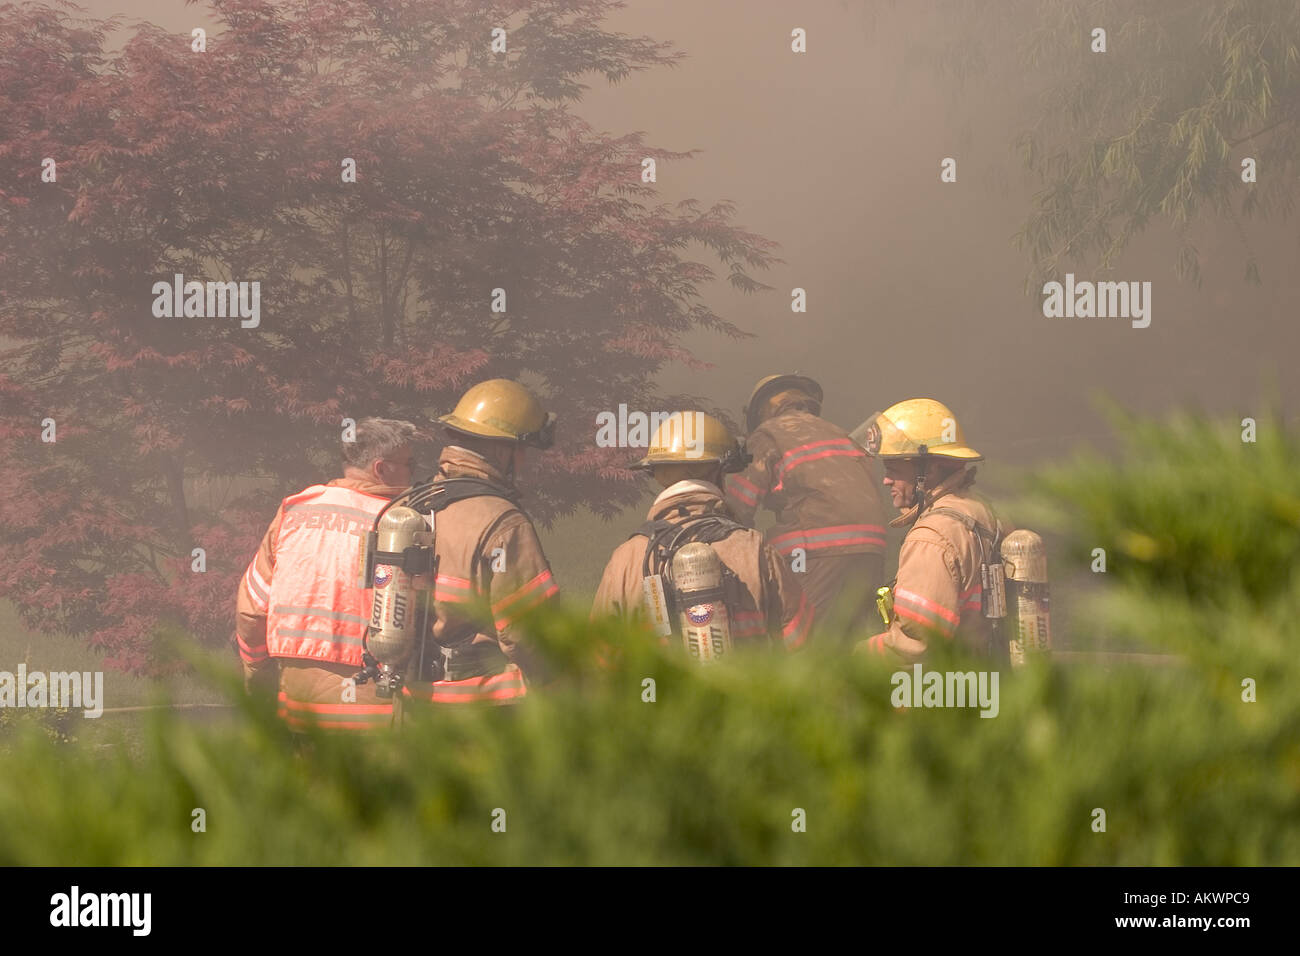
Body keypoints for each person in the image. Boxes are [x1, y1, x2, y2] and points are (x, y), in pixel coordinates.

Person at [235, 418, 418, 731]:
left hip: (299, 703)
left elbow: (252, 608)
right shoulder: (407, 523)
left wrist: (258, 683)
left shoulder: (295, 510)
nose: (416, 473)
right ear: (381, 469)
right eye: (410, 464)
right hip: (378, 703)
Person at [592, 411, 813, 652]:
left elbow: (599, 661)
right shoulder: (755, 549)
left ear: (657, 474)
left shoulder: (627, 558)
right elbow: (804, 647)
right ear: (719, 472)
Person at [400, 378, 561, 705]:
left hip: (415, 703)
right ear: (503, 450)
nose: (524, 462)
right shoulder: (503, 522)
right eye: (522, 450)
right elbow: (526, 632)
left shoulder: (409, 506)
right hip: (484, 707)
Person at [725, 374, 887, 636]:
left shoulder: (769, 434)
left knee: (807, 640)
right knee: (855, 641)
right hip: (872, 550)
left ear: (762, 409)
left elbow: (738, 507)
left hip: (815, 553)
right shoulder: (842, 434)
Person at [855, 398, 1008, 662]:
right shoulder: (985, 511)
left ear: (931, 468)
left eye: (894, 468)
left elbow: (917, 644)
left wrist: (854, 657)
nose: (886, 479)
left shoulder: (931, 538)